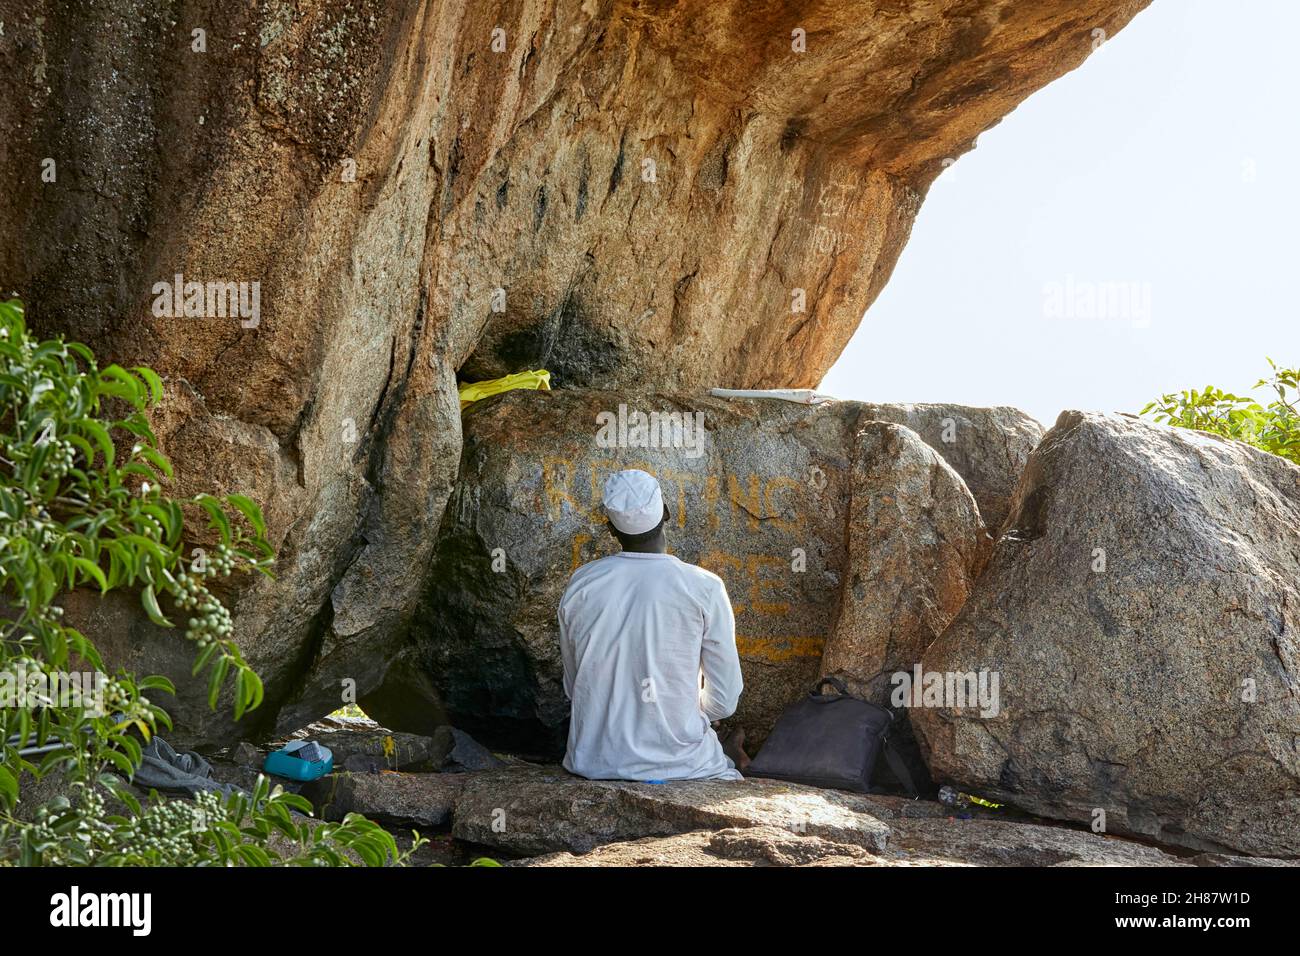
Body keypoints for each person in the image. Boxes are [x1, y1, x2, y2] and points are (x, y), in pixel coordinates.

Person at [558, 469, 748, 781]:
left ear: (610, 529)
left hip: (593, 760)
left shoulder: (581, 583)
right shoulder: (704, 587)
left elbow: (574, 685)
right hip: (683, 765)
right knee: (725, 759)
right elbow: (725, 699)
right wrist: (690, 713)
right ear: (667, 513)